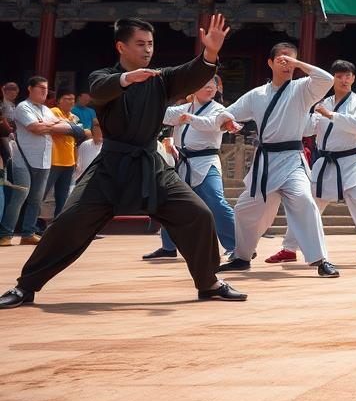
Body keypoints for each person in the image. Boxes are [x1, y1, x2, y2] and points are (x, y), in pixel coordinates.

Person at [1, 16, 244, 309]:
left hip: (150, 165)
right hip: (109, 168)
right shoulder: (102, 76)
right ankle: (25, 286)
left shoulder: (161, 79)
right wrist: (128, 78)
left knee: (198, 214)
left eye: (150, 44)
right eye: (140, 44)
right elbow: (101, 89)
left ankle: (209, 282)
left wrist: (210, 54)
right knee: (67, 222)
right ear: (121, 46)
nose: (147, 50)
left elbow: (189, 74)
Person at [216, 44, 340, 278]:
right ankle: (242, 257)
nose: (286, 64)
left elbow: (325, 79)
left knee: (305, 201)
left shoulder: (302, 89)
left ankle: (320, 260)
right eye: (281, 60)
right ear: (270, 63)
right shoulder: (257, 95)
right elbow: (228, 112)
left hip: (292, 160)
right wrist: (228, 122)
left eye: (291, 60)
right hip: (265, 163)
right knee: (244, 209)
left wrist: (301, 65)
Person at [270, 60, 356, 268]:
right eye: (339, 76)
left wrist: (330, 115)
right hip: (325, 164)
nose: (344, 79)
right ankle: (289, 248)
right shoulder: (323, 103)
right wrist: (299, 109)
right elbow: (307, 129)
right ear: (333, 79)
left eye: (348, 76)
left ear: (353, 79)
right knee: (306, 203)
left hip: (350, 162)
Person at [142, 75, 238, 263]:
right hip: (183, 163)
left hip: (206, 162)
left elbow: (211, 124)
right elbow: (161, 114)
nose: (210, 88)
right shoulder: (183, 109)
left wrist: (189, 118)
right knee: (169, 203)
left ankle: (237, 246)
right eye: (205, 84)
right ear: (192, 88)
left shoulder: (219, 110)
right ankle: (169, 247)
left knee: (216, 202)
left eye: (213, 85)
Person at [0, 78, 75, 246]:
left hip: (44, 160)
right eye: (40, 88)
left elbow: (66, 127)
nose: (44, 91)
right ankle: (5, 233)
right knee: (20, 196)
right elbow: (35, 128)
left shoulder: (46, 110)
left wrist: (47, 125)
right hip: (24, 161)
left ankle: (28, 233)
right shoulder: (23, 107)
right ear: (30, 88)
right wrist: (53, 125)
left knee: (36, 199)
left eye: (46, 89)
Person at [46, 89, 86, 220]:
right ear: (58, 100)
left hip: (69, 162)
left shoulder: (72, 116)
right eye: (67, 99)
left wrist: (71, 128)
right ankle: (31, 227)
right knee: (41, 195)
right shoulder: (54, 111)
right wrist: (74, 128)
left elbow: (83, 133)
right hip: (54, 160)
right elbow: (77, 130)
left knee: (62, 197)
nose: (71, 102)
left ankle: (57, 225)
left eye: (72, 99)